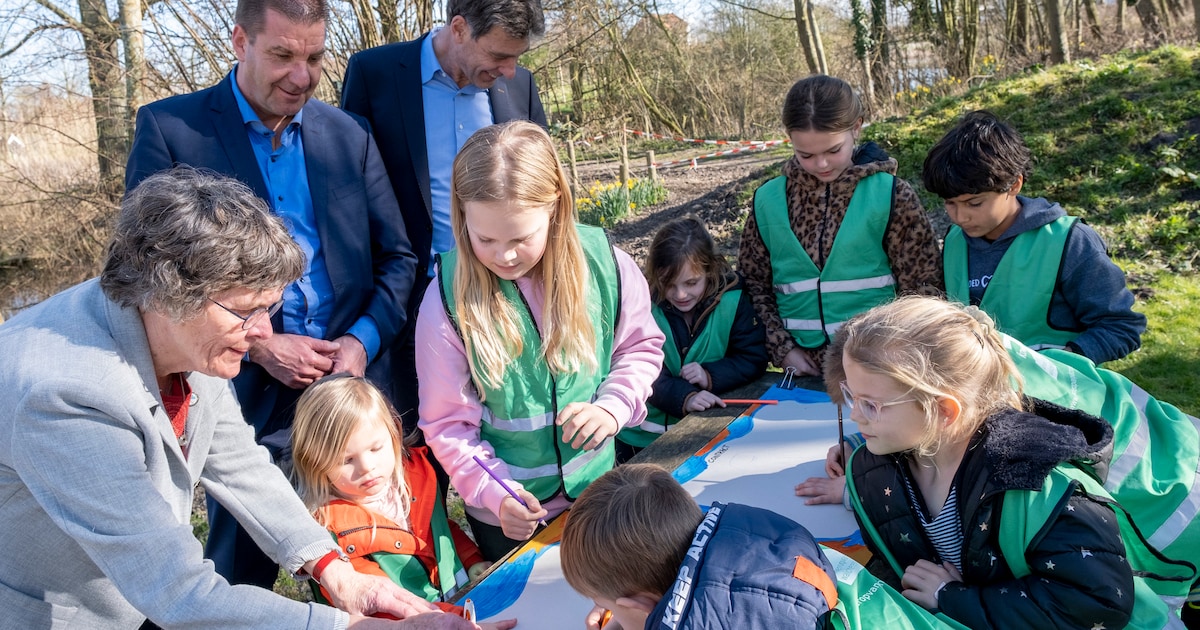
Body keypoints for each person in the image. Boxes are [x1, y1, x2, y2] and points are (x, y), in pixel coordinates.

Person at [0, 168, 480, 629]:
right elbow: (178, 592)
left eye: (268, 307)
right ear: (171, 295)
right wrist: (346, 627)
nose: (264, 332)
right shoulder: (67, 395)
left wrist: (338, 574)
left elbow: (238, 463)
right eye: (248, 311)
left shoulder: (186, 332)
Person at [125, 0, 418, 589]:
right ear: (240, 40)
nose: (302, 76)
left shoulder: (350, 134)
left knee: (379, 572)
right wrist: (258, 342)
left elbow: (398, 259)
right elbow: (151, 273)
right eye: (283, 55)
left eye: (313, 57)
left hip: (350, 393)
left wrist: (359, 344)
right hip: (239, 393)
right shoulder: (172, 129)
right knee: (238, 576)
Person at [800, 296, 1135, 628]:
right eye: (850, 395)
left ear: (944, 411)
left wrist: (952, 597)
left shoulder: (1041, 490)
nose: (855, 415)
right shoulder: (878, 463)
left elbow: (1097, 604)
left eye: (870, 404)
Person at [416, 121, 664, 560]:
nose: (504, 255)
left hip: (599, 493)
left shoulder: (607, 265)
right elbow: (448, 426)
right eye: (485, 238)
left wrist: (614, 406)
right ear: (461, 216)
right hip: (509, 517)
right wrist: (499, 496)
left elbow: (638, 349)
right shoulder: (446, 300)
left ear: (556, 209)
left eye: (521, 238)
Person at [342, 0, 547, 432]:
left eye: (517, 57)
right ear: (458, 28)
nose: (510, 70)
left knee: (509, 438)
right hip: (410, 302)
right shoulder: (373, 74)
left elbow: (544, 190)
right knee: (419, 439)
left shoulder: (521, 86)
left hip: (506, 300)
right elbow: (351, 198)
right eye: (498, 56)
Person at [738, 74, 943, 378]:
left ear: (857, 127)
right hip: (801, 373)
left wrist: (895, 353)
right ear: (789, 139)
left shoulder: (892, 195)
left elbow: (925, 287)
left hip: (883, 370)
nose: (821, 164)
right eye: (805, 154)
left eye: (833, 150)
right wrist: (782, 348)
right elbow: (752, 285)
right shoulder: (767, 200)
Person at [923, 109, 1145, 364]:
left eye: (974, 203)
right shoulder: (953, 240)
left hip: (1054, 396)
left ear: (1014, 185)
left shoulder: (1069, 241)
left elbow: (1121, 327)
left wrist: (1059, 367)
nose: (960, 217)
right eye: (950, 203)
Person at [291, 375, 492, 612]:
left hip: (459, 604)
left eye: (376, 448)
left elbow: (440, 530)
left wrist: (470, 560)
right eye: (346, 460)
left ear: (394, 432)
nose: (366, 467)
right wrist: (453, 617)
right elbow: (379, 606)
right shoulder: (330, 532)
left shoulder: (415, 478)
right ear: (314, 462)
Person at [559, 464, 839, 630]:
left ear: (641, 605)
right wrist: (628, 615)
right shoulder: (742, 538)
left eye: (604, 606)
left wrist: (638, 617)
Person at [617, 216, 767, 461]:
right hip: (639, 438)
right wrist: (685, 397)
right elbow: (638, 369)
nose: (680, 294)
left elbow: (753, 357)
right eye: (668, 284)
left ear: (710, 269)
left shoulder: (734, 300)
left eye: (691, 283)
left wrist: (711, 375)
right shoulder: (642, 303)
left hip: (702, 437)